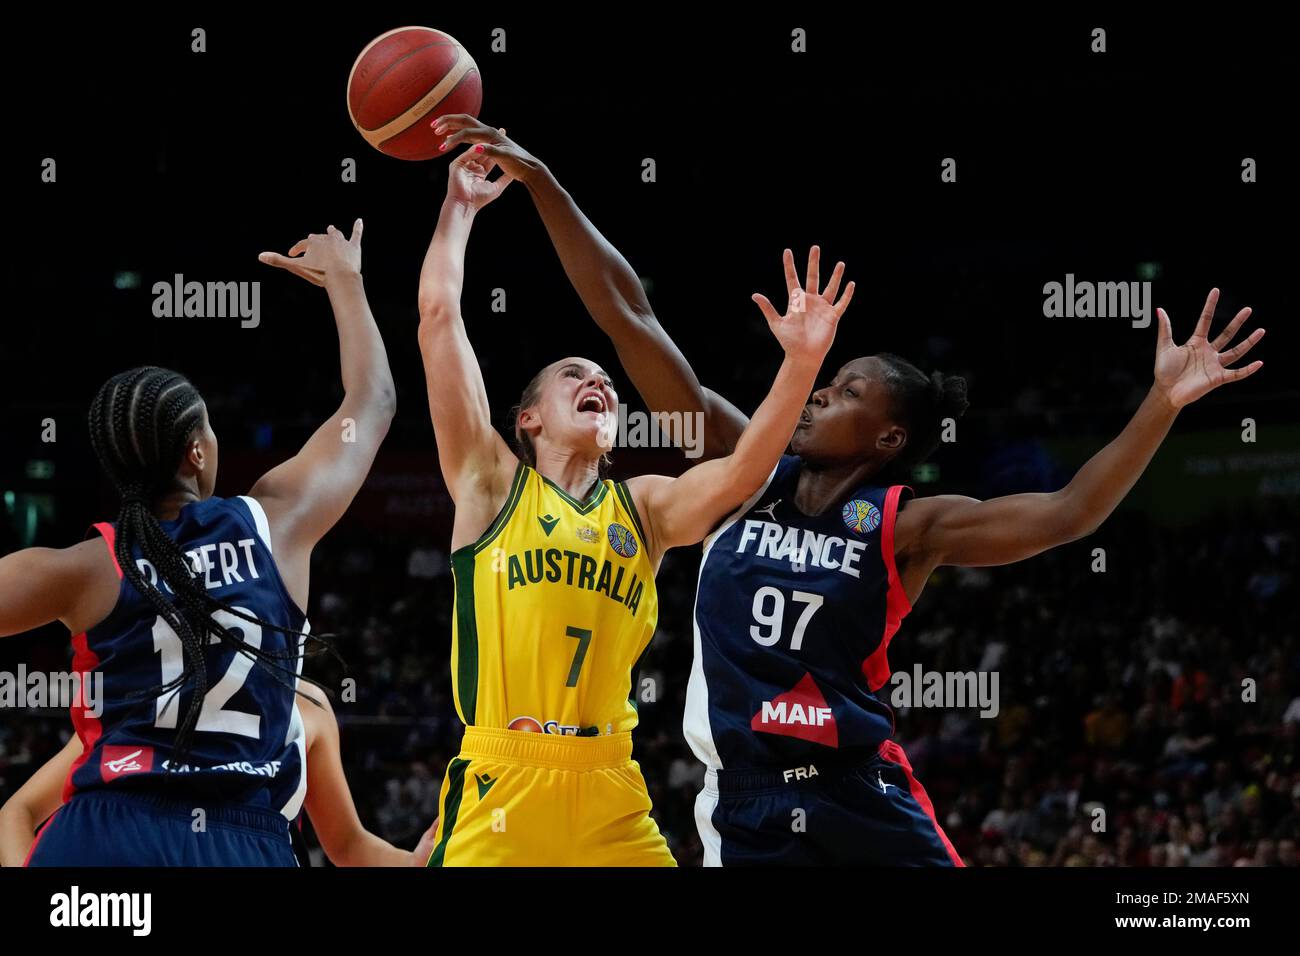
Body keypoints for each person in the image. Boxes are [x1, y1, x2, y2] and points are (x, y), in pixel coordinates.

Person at [432, 114, 1265, 865]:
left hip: (862, 788)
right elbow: (629, 317)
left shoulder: (908, 524)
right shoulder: (742, 466)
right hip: (752, 802)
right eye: (825, 380)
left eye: (849, 390)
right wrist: (543, 182)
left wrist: (1163, 402)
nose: (823, 391)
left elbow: (1071, 512)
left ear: (889, 439)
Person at [415, 139, 853, 865]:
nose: (602, 381)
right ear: (526, 418)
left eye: (606, 382)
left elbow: (746, 469)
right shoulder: (490, 482)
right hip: (503, 776)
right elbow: (439, 319)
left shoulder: (642, 510)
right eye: (574, 374)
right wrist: (459, 206)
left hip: (611, 788)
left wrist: (801, 362)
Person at [0, 220, 396, 865]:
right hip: (240, 838)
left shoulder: (82, 568)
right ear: (196, 451)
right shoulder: (277, 522)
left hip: (103, 835)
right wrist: (346, 281)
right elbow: (373, 402)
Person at [0, 694, 436, 866]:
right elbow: (16, 812)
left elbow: (347, 843)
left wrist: (411, 862)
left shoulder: (309, 708)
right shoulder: (148, 694)